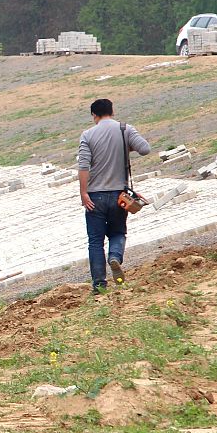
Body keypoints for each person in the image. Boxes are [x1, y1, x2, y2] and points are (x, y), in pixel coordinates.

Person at [78, 98, 151, 293]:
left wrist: (83, 193)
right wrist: (126, 147)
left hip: (95, 197)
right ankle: (115, 258)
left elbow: (84, 165)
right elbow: (145, 149)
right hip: (120, 196)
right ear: (113, 111)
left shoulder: (88, 135)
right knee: (118, 233)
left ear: (94, 115)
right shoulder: (125, 129)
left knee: (95, 241)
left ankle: (99, 285)